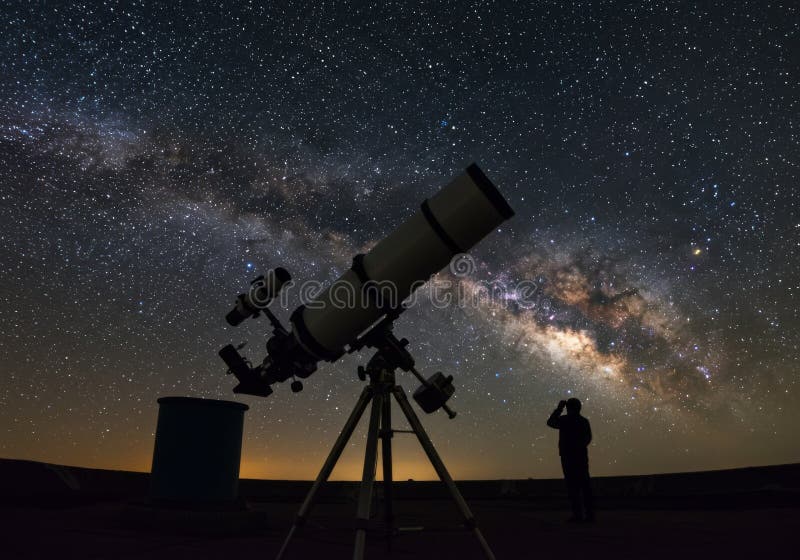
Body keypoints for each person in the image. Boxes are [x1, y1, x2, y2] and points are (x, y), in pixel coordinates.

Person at [547, 398, 594, 522]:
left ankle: (578, 515)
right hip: (580, 456)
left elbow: (551, 422)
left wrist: (559, 409)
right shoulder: (583, 421)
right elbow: (588, 438)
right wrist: (579, 446)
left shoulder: (564, 420)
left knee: (573, 487)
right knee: (584, 486)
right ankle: (589, 515)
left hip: (568, 456)